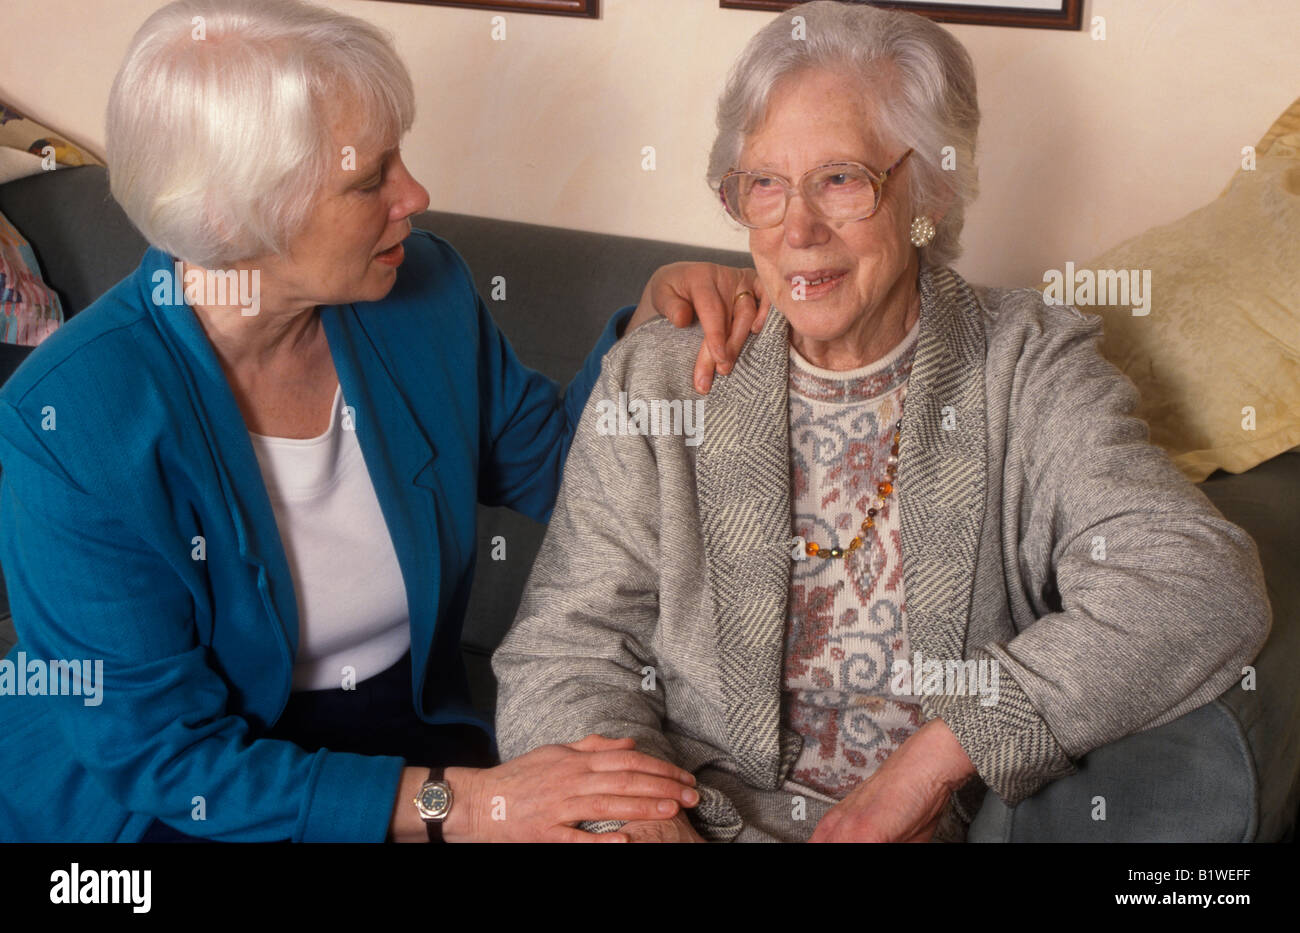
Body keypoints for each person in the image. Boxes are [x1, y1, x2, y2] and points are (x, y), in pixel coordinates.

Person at [491, 0, 1272, 843]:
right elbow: (566, 647)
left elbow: (1196, 580)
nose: (798, 228)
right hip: (681, 811)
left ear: (929, 190)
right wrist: (626, 818)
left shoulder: (1025, 367)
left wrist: (941, 754)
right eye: (764, 183)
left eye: (841, 179)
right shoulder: (663, 372)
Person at [0, 0, 768, 843]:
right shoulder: (72, 421)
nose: (415, 194)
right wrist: (471, 805)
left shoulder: (419, 291)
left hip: (399, 741)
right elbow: (170, 765)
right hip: (170, 812)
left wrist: (644, 333)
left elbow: (561, 470)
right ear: (227, 216)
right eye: (369, 179)